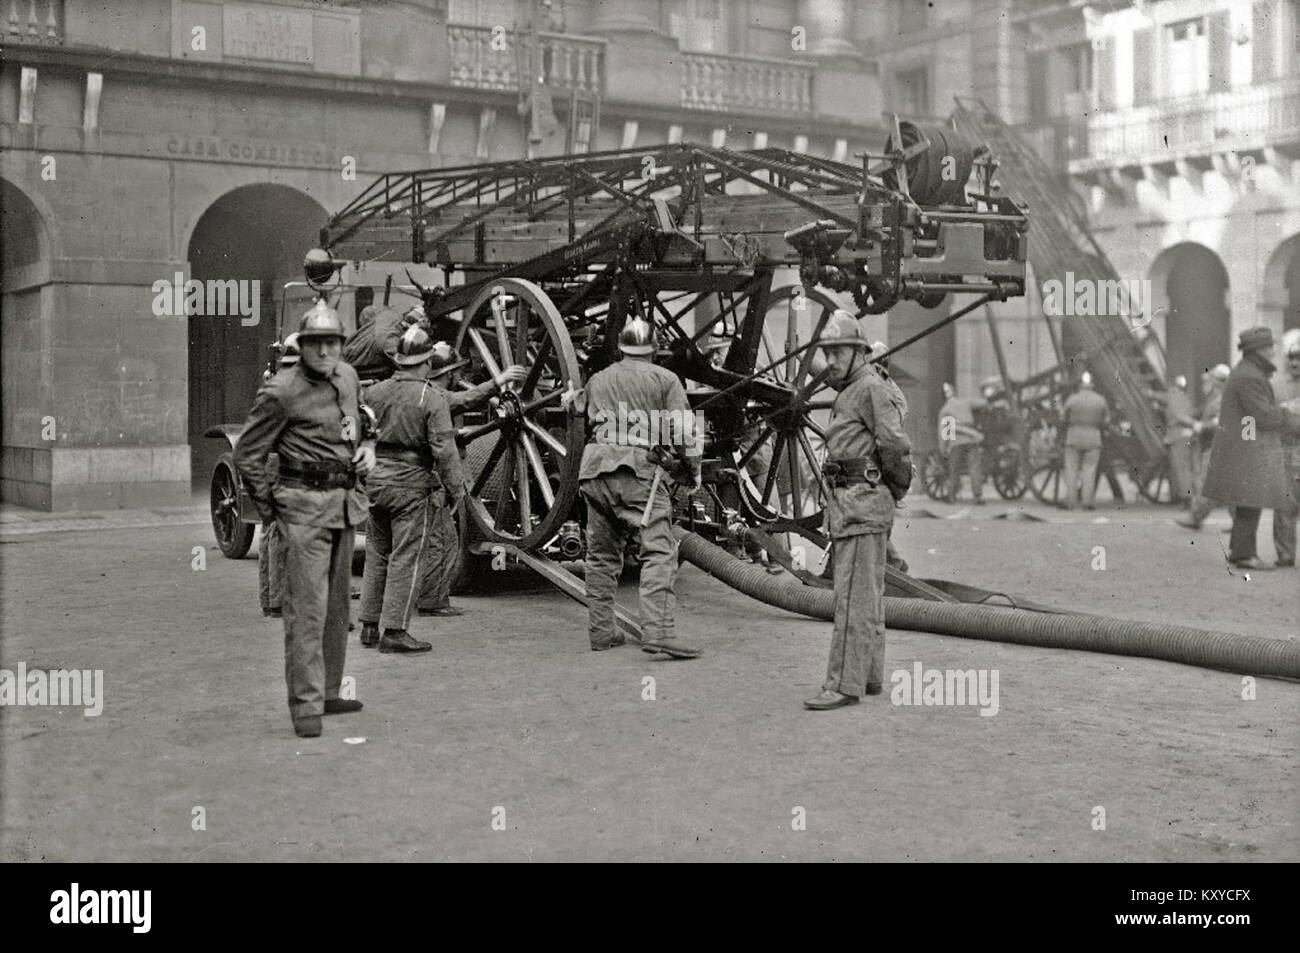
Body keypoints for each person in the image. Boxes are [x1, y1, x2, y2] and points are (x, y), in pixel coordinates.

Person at [235, 301, 376, 738]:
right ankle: (306, 707)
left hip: (342, 505)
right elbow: (248, 454)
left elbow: (363, 421)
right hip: (302, 511)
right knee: (306, 613)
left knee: (337, 612)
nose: (325, 352)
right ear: (303, 345)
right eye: (317, 343)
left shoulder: (349, 378)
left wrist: (370, 445)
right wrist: (272, 506)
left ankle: (330, 691)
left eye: (333, 342)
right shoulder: (281, 391)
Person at [577, 315, 703, 657]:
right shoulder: (666, 378)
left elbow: (581, 412)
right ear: (655, 349)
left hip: (593, 469)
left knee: (601, 555)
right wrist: (692, 470)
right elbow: (684, 431)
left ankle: (602, 632)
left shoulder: (599, 378)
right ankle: (659, 633)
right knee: (659, 551)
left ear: (621, 348)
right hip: (636, 470)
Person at [804, 312, 911, 711]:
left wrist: (896, 486)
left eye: (836, 352)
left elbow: (895, 445)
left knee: (851, 598)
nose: (829, 361)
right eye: (826, 353)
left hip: (862, 504)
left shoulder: (869, 389)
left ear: (858, 353)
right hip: (853, 504)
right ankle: (867, 677)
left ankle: (842, 685)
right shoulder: (854, 387)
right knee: (869, 596)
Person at [356, 326, 466, 653]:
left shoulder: (374, 392)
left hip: (375, 482)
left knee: (377, 553)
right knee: (407, 557)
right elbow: (444, 450)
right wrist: (456, 489)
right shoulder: (430, 397)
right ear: (428, 362)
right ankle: (395, 631)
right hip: (410, 485)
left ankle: (368, 626)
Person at [415, 344, 527, 616]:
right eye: (458, 372)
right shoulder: (437, 397)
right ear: (451, 374)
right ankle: (430, 601)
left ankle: (385, 610)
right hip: (428, 479)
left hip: (404, 477)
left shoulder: (411, 393)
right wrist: (457, 490)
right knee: (443, 540)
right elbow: (462, 406)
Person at [1181, 327, 1300, 569]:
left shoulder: (1248, 372)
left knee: (1248, 501)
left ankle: (1240, 552)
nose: (1274, 351)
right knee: (1249, 500)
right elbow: (1264, 415)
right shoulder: (1250, 376)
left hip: (1245, 445)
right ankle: (1244, 555)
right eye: (1270, 347)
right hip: (1247, 447)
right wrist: (1292, 418)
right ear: (1260, 350)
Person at [258, 332, 299, 618]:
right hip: (281, 463)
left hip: (269, 461)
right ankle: (278, 601)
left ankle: (271, 598)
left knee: (271, 531)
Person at [1181, 364, 1230, 525]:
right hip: (1216, 445)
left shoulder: (1222, 399)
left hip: (1216, 446)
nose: (1209, 382)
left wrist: (1200, 427)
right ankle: (1239, 524)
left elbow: (1218, 422)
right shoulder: (1216, 398)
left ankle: (1196, 517)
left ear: (1218, 381)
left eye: (1212, 379)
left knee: (1206, 483)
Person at [1060, 372, 1109, 510]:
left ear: (1081, 385)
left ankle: (1070, 502)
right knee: (1089, 471)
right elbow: (1107, 420)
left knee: (1071, 470)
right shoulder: (1101, 400)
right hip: (1093, 436)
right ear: (1092, 385)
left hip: (1074, 436)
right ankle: (1087, 502)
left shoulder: (1072, 399)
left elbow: (1062, 417)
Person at [1272, 331, 1300, 567]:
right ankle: (1285, 552)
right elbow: (1268, 414)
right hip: (1285, 449)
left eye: (1299, 357)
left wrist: (1289, 408)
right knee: (1285, 502)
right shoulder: (1276, 384)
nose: (1294, 363)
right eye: (1291, 358)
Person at [936, 381, 985, 504]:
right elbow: (984, 403)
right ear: (955, 392)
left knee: (954, 469)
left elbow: (945, 433)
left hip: (956, 442)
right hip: (971, 440)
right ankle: (978, 497)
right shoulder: (966, 402)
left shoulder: (945, 410)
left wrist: (943, 450)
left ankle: (951, 496)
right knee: (975, 468)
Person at [1161, 374, 1197, 507]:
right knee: (1186, 467)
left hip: (1177, 436)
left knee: (1182, 469)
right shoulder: (1186, 399)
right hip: (1186, 436)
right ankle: (1188, 496)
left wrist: (1148, 393)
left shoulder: (1173, 397)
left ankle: (1187, 498)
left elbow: (1179, 416)